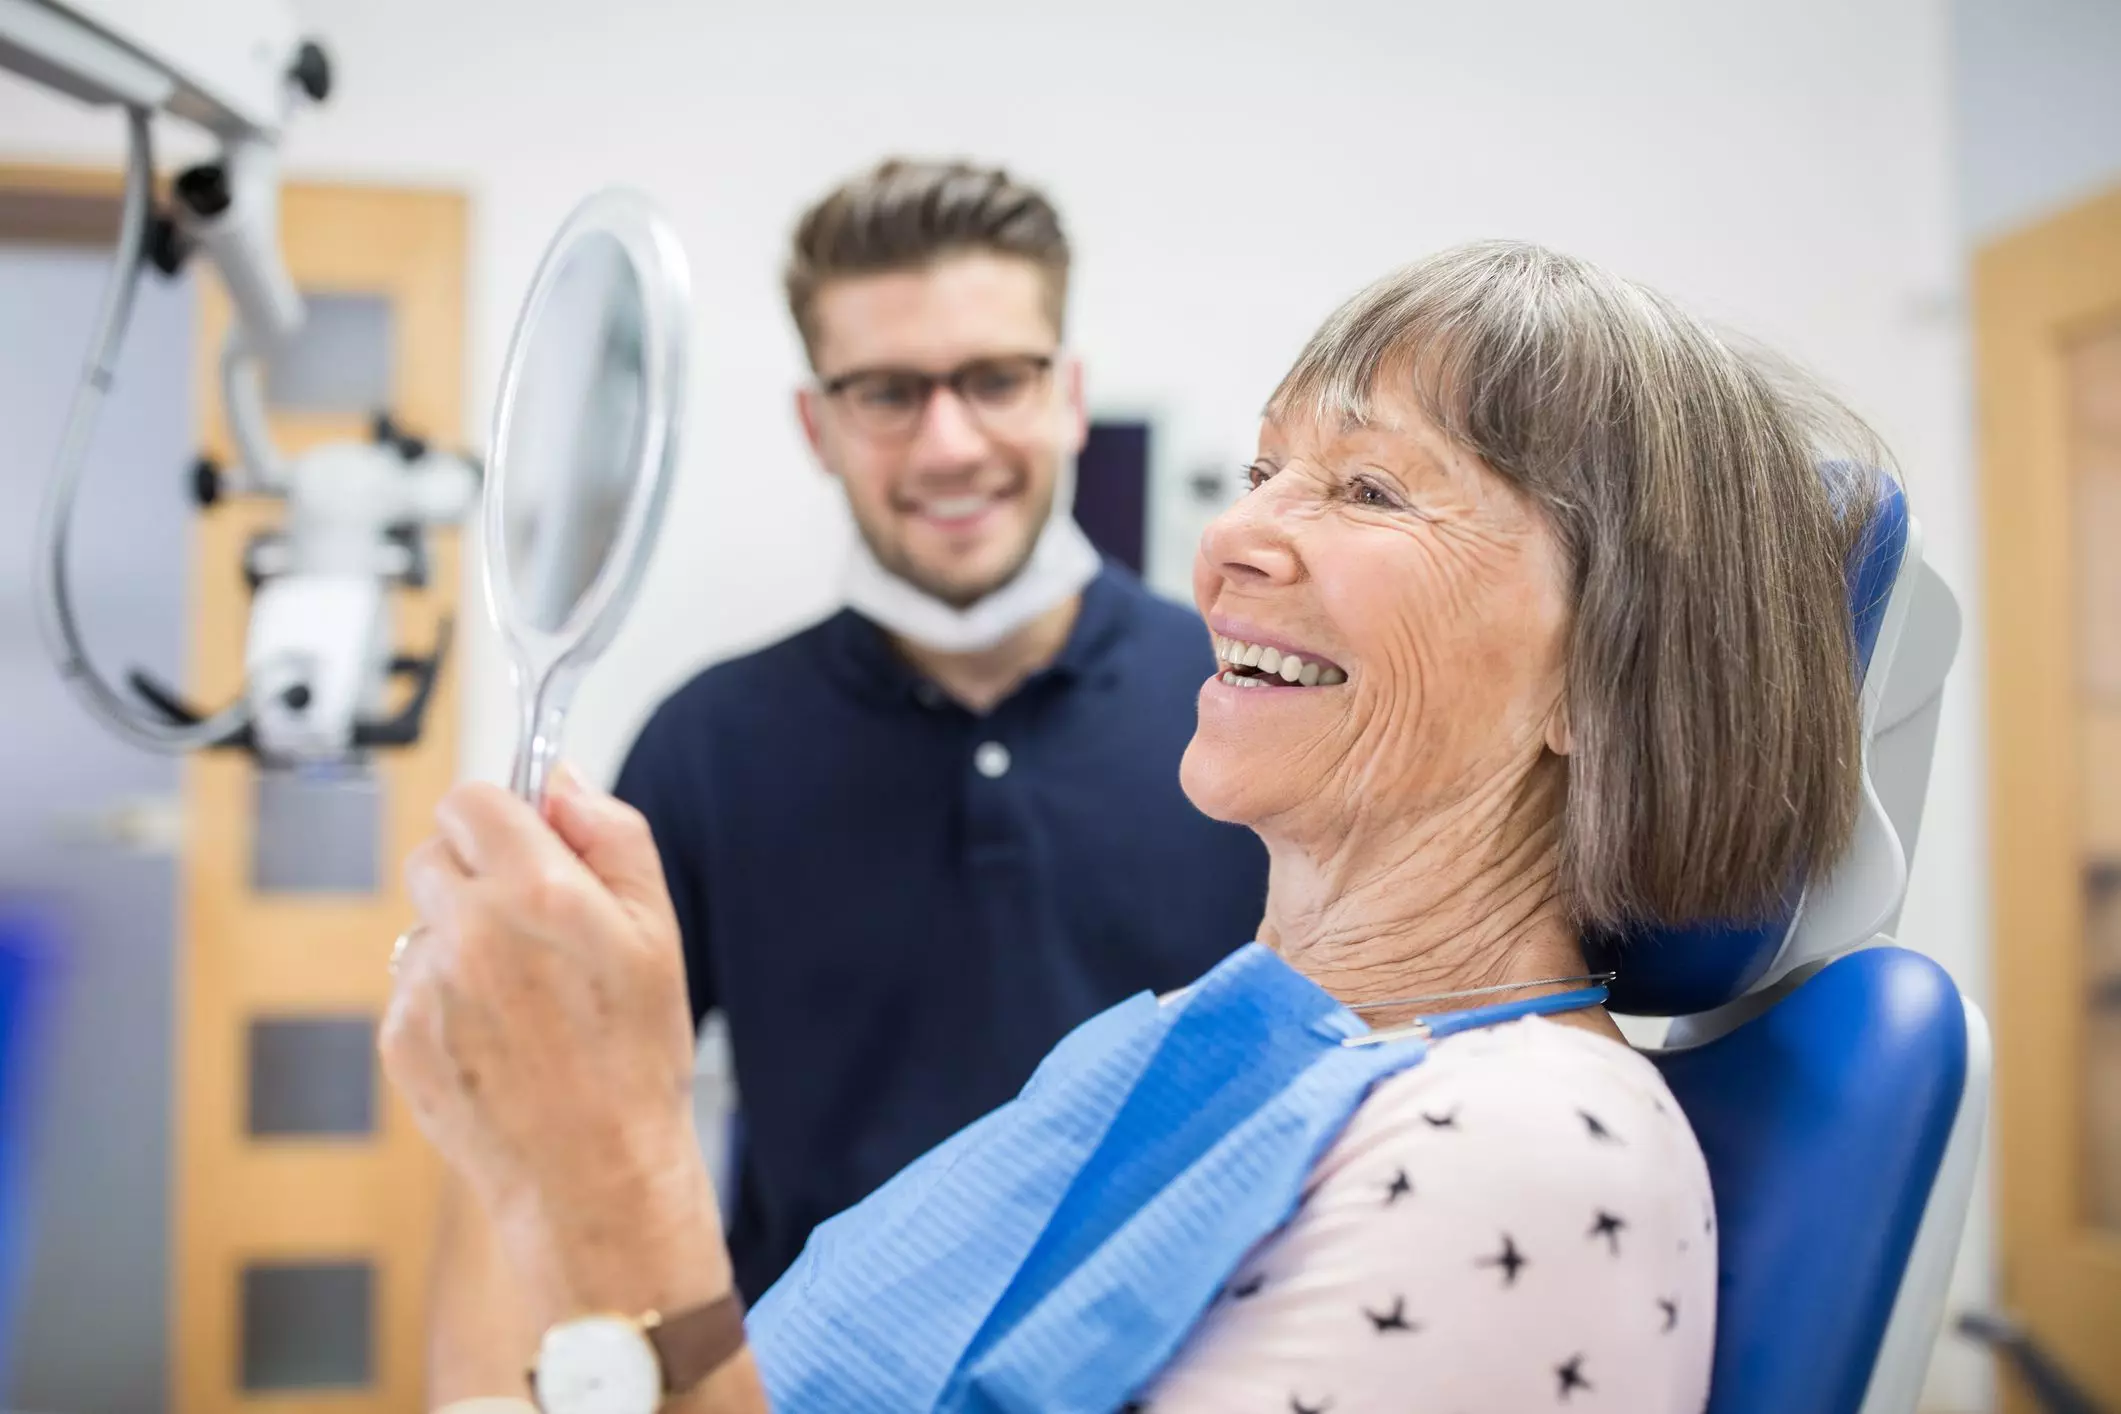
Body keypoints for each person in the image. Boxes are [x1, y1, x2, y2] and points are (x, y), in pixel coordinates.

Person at [387, 240, 1886, 1413]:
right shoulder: (1224, 1044)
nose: (1232, 537)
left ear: (1606, 666)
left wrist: (612, 1181)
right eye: (1259, 473)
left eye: (1368, 485)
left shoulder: (1524, 1156)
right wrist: (536, 1172)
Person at [424, 158, 1270, 1399]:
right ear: (818, 425)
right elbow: (561, 1117)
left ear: (1069, 397)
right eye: (887, 391)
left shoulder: (1246, 710)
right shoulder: (708, 744)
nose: (949, 440)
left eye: (996, 378)